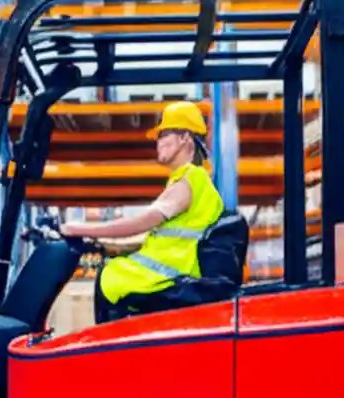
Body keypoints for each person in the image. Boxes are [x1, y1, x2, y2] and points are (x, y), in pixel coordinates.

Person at [61, 101, 225, 323]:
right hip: (175, 274)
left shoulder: (190, 179)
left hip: (169, 278)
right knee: (111, 271)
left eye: (163, 134)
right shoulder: (190, 181)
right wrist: (105, 244)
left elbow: (143, 221)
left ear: (185, 137)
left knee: (109, 277)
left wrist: (77, 228)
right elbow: (158, 237)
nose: (158, 143)